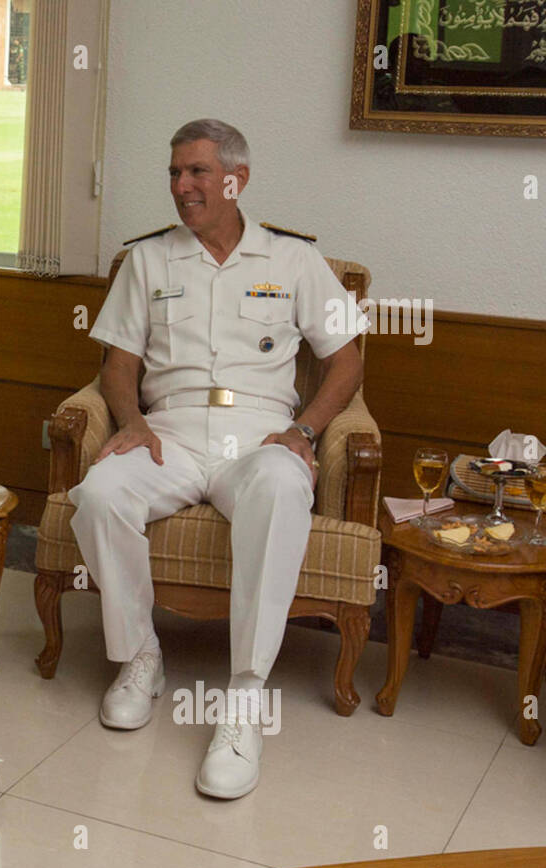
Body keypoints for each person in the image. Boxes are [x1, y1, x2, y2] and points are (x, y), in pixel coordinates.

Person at [69, 119, 366, 800]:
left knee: (279, 488)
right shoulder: (148, 261)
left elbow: (345, 361)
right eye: (174, 173)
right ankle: (141, 657)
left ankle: (243, 696)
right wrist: (134, 422)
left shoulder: (293, 261)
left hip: (260, 433)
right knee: (100, 492)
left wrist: (306, 430)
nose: (182, 186)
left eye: (197, 172)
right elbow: (117, 366)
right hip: (168, 432)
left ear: (237, 179)